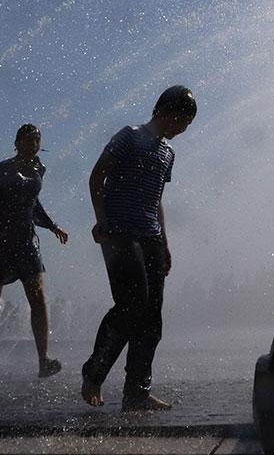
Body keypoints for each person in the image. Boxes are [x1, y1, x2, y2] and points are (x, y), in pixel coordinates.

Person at [81, 85, 196, 413]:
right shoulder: (129, 136)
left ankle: (136, 392)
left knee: (151, 317)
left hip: (150, 236)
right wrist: (101, 220)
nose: (183, 130)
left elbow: (157, 199)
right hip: (119, 231)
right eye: (183, 122)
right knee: (132, 303)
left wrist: (165, 243)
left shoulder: (167, 152)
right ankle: (94, 372)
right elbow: (96, 176)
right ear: (166, 111)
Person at [0, 122, 70, 377]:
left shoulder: (40, 168)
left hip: (26, 240)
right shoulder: (2, 169)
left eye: (38, 140)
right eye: (29, 140)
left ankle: (43, 360)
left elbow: (33, 204)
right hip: (0, 241)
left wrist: (52, 226)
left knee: (38, 298)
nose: (34, 144)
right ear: (17, 142)